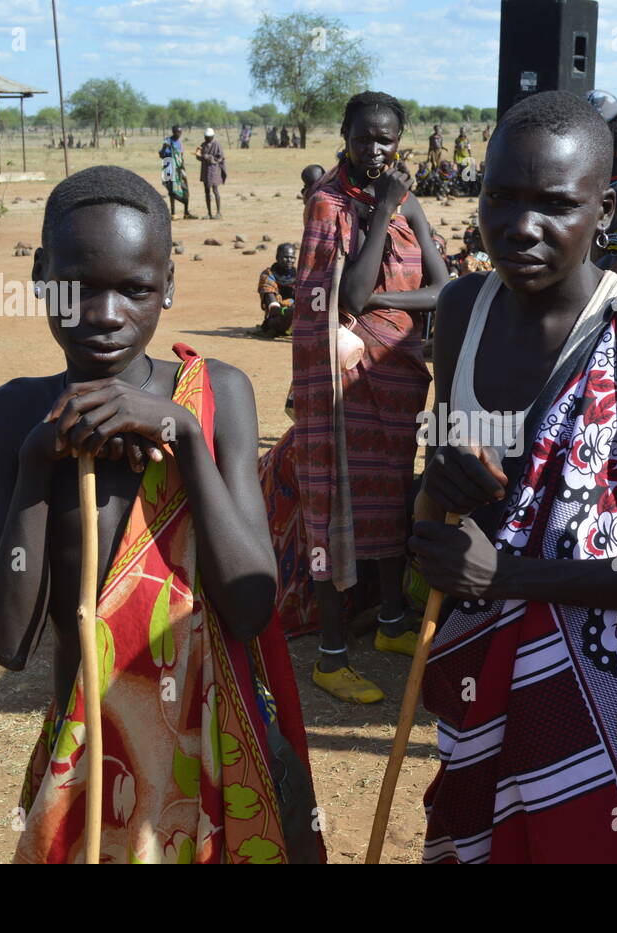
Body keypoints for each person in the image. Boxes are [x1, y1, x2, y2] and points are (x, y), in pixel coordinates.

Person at [411, 90, 617, 864]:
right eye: (500, 199)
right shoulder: (461, 309)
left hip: (615, 703)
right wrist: (440, 483)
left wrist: (512, 575)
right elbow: (438, 510)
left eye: (555, 205)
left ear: (605, 208)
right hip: (484, 682)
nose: (521, 229)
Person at [0, 165, 319, 864]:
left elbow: (251, 606)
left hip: (217, 750)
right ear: (41, 273)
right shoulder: (13, 415)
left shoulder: (215, 394)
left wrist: (183, 437)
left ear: (168, 283)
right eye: (79, 285)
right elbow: (8, 643)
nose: (104, 314)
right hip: (94, 761)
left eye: (134, 289)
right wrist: (39, 464)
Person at [263, 91, 449, 703]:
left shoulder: (407, 204)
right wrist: (384, 212)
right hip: (342, 387)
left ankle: (393, 622)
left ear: (400, 139)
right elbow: (344, 299)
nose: (376, 149)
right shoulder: (329, 204)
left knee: (392, 498)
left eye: (387, 138)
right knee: (335, 504)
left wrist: (386, 301)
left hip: (397, 381)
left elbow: (444, 289)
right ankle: (332, 654)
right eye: (364, 137)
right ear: (344, 134)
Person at [256, 242, 297, 337]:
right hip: (276, 319)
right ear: (277, 257)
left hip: (296, 317)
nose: (289, 260)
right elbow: (273, 308)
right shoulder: (268, 275)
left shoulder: (298, 274)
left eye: (292, 257)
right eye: (286, 257)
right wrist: (290, 310)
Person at [159, 125, 196, 220]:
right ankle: (173, 213)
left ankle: (186, 212)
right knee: (172, 191)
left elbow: (181, 156)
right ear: (173, 132)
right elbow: (162, 155)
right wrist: (164, 147)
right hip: (169, 167)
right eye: (178, 132)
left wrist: (183, 169)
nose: (179, 134)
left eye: (180, 132)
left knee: (185, 189)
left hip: (179, 168)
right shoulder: (168, 141)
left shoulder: (179, 143)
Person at [195, 127, 226, 220]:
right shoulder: (203, 145)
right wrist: (198, 155)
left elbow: (220, 158)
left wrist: (208, 157)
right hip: (205, 169)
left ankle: (218, 213)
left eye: (209, 137)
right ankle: (209, 213)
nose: (207, 139)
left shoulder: (217, 145)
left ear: (213, 137)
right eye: (206, 137)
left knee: (215, 190)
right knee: (207, 191)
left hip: (213, 169)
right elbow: (200, 158)